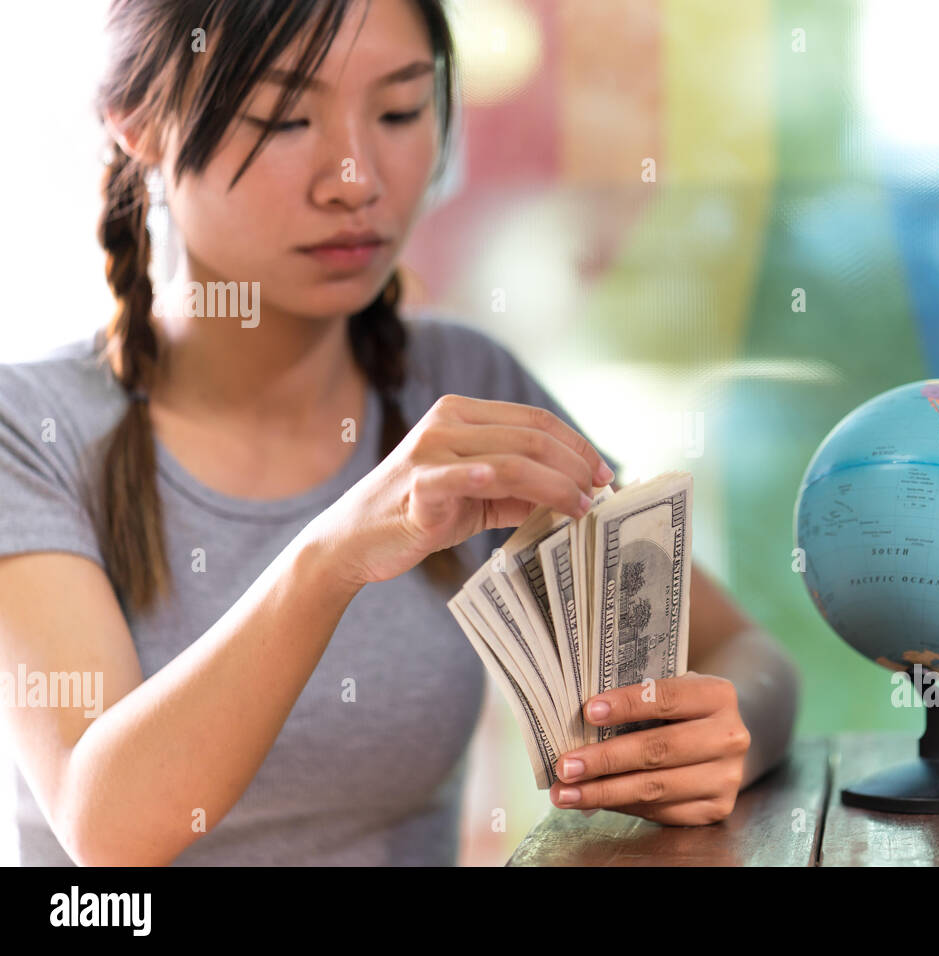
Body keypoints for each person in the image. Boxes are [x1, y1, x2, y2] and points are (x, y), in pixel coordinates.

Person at [0, 0, 799, 866]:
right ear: (139, 126)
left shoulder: (459, 390)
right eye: (284, 118)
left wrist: (718, 742)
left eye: (399, 112)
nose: (355, 178)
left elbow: (746, 654)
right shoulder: (30, 430)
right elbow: (106, 826)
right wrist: (333, 555)